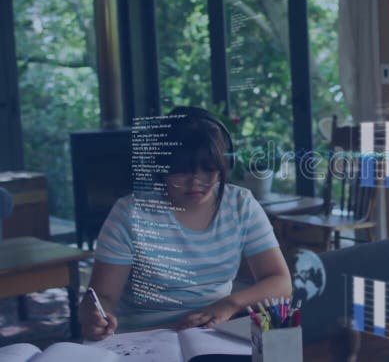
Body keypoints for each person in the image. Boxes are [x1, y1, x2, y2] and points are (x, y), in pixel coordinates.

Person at [79, 106, 292, 340]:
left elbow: (280, 282)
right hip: (144, 338)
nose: (196, 181)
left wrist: (229, 304)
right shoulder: (129, 214)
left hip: (212, 333)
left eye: (209, 169)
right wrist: (97, 316)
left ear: (224, 166)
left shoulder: (241, 204)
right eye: (181, 171)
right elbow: (103, 297)